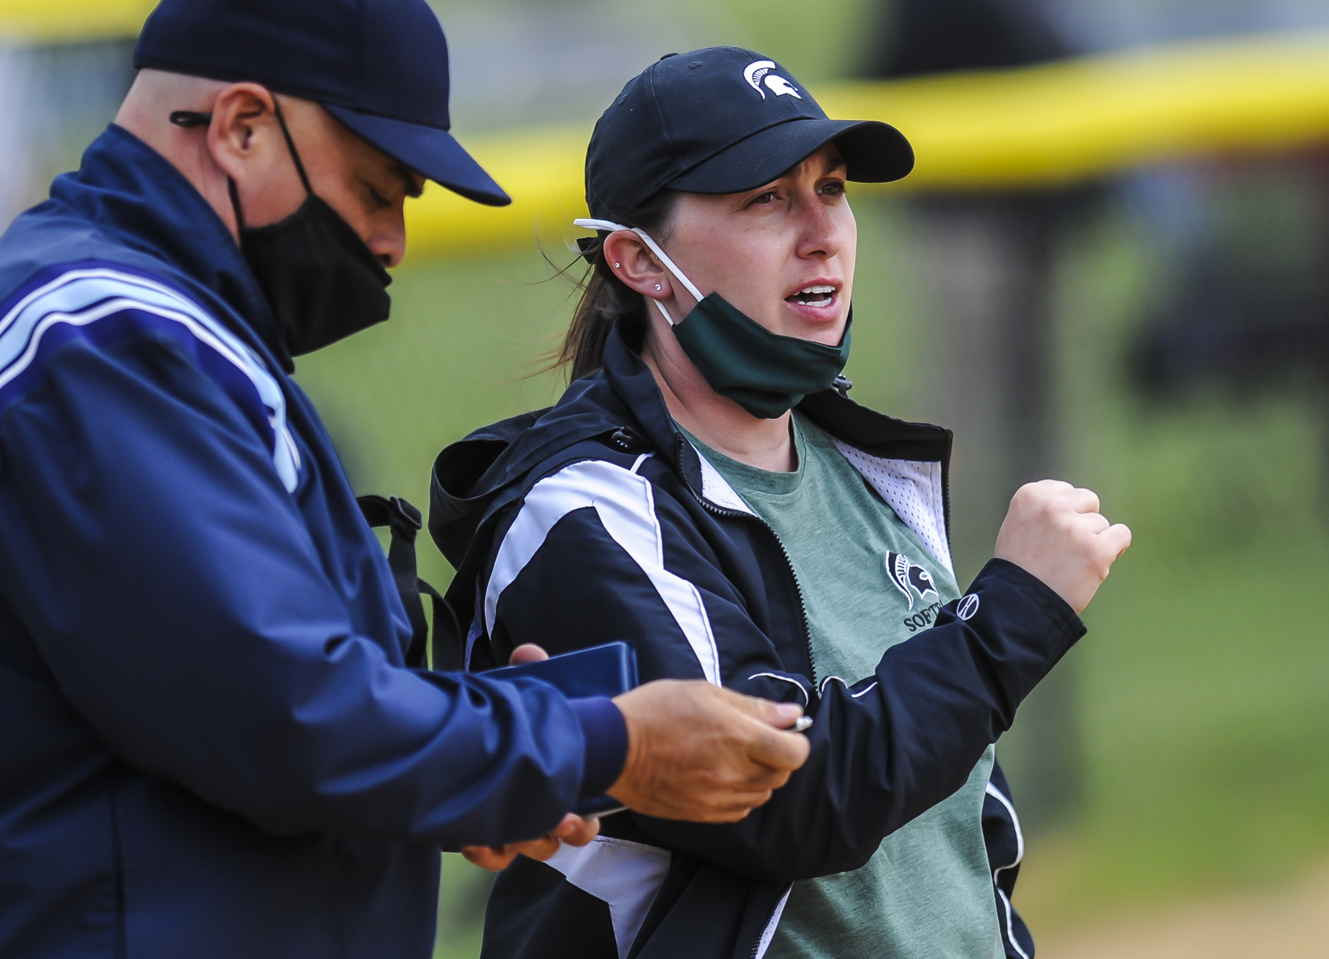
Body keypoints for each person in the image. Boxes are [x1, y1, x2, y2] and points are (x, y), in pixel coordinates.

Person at [0, 6, 813, 958]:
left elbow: (257, 698)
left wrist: (508, 743)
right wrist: (600, 745)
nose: (391, 241)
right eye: (378, 188)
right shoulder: (100, 340)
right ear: (241, 126)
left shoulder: (166, 330)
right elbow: (283, 716)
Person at [429, 48, 1130, 959]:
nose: (821, 231)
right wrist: (1011, 619)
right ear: (639, 261)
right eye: (764, 198)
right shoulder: (579, 515)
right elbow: (785, 801)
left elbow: (942, 848)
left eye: (831, 188)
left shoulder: (868, 469)